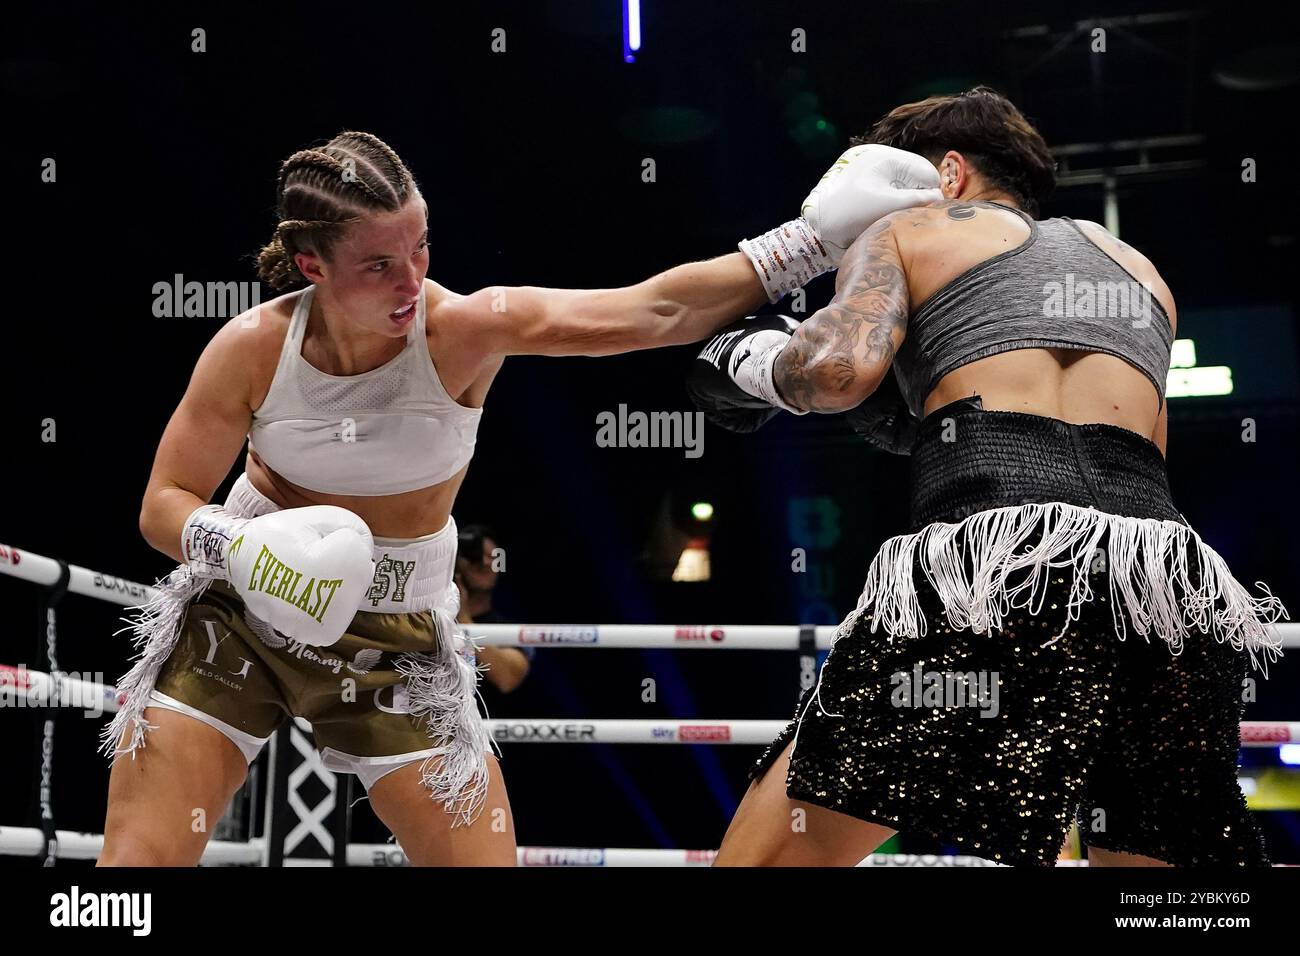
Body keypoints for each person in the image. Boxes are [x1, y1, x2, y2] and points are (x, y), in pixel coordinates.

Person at [97, 130, 941, 866]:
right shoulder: (250, 347)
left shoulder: (463, 330)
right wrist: (239, 547)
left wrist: (805, 244)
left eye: (421, 246)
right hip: (239, 614)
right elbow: (162, 503)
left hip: (399, 640)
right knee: (135, 865)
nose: (411, 279)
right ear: (312, 264)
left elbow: (652, 311)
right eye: (379, 263)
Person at [689, 88, 1287, 867]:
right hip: (1164, 585)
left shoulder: (913, 225)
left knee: (766, 863)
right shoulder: (1137, 271)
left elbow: (836, 370)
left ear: (949, 172)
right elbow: (1142, 452)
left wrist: (754, 361)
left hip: (999, 567)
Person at [455, 524, 531, 695]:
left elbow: (508, 678)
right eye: (474, 556)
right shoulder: (427, 622)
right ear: (454, 562)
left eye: (493, 557)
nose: (484, 563)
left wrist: (464, 621)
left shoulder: (509, 630)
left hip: (487, 721)